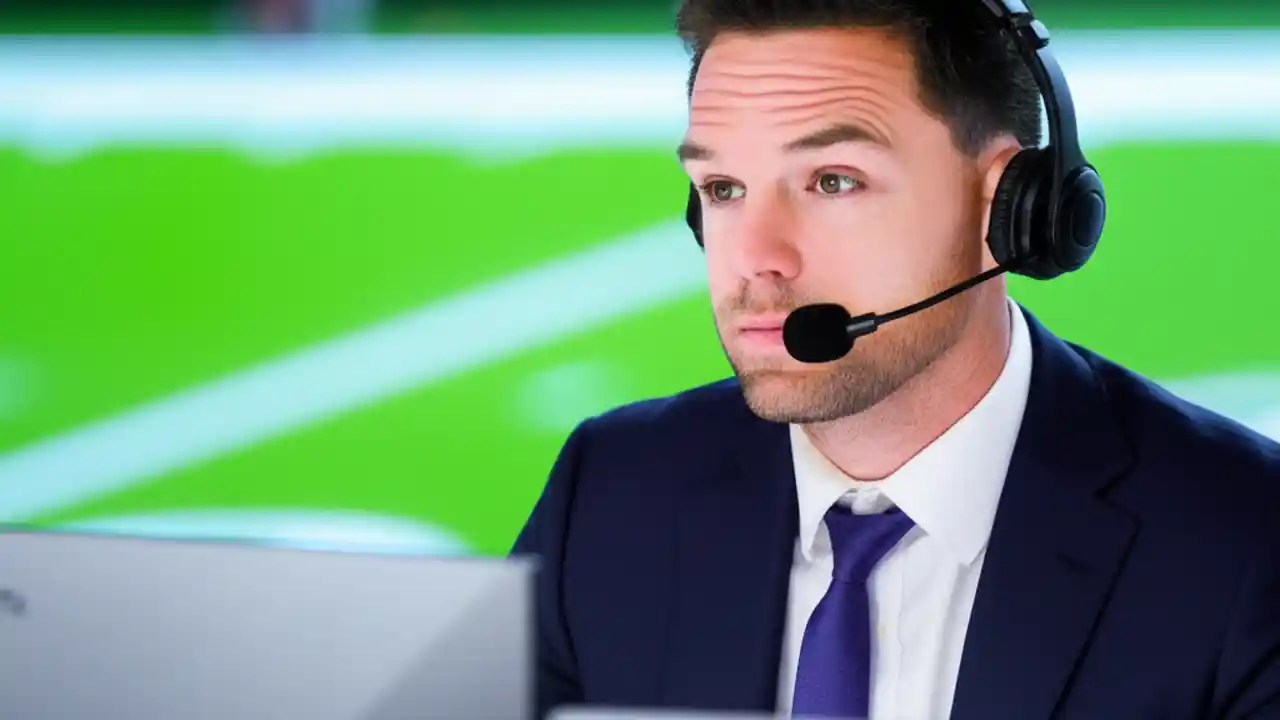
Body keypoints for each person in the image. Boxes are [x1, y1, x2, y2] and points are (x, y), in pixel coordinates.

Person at [511, 1, 1280, 718]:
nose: (754, 259)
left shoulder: (1245, 540)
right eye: (722, 187)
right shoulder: (611, 496)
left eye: (832, 181)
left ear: (1009, 209)